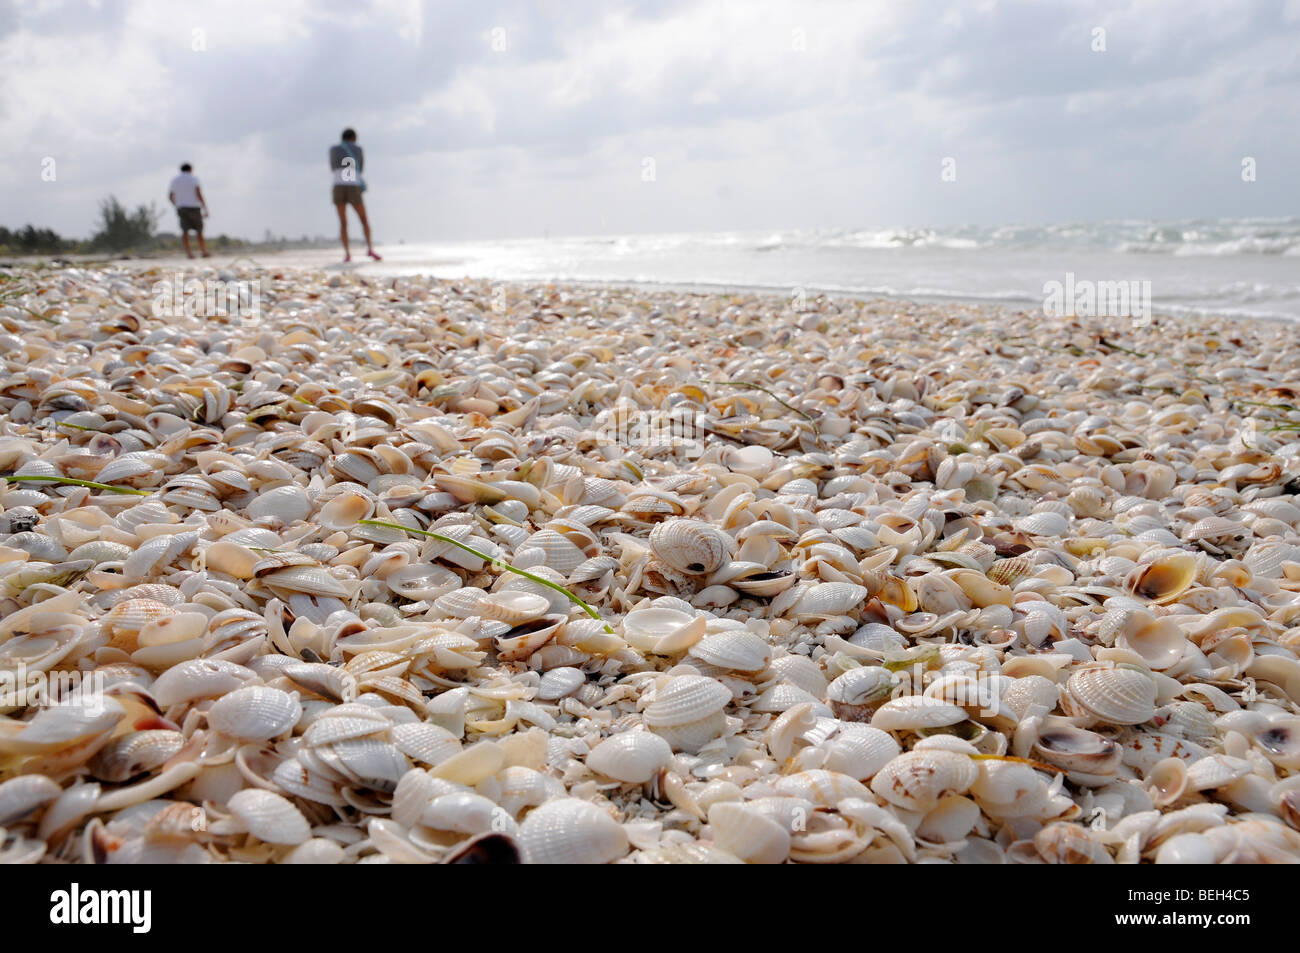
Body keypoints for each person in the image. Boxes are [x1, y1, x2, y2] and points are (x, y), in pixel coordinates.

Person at [329, 128, 381, 262]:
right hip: (353, 185)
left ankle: (347, 253)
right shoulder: (358, 149)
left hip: (338, 185)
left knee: (343, 222)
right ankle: (370, 248)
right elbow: (360, 168)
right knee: (363, 219)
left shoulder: (333, 149)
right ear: (353, 137)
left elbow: (332, 166)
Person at [167, 163, 209, 259]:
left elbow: (170, 196)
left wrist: (177, 205)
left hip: (182, 208)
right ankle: (204, 251)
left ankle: (189, 253)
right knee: (199, 230)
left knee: (184, 231)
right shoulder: (193, 179)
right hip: (194, 207)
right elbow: (198, 193)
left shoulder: (175, 180)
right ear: (190, 169)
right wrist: (205, 207)